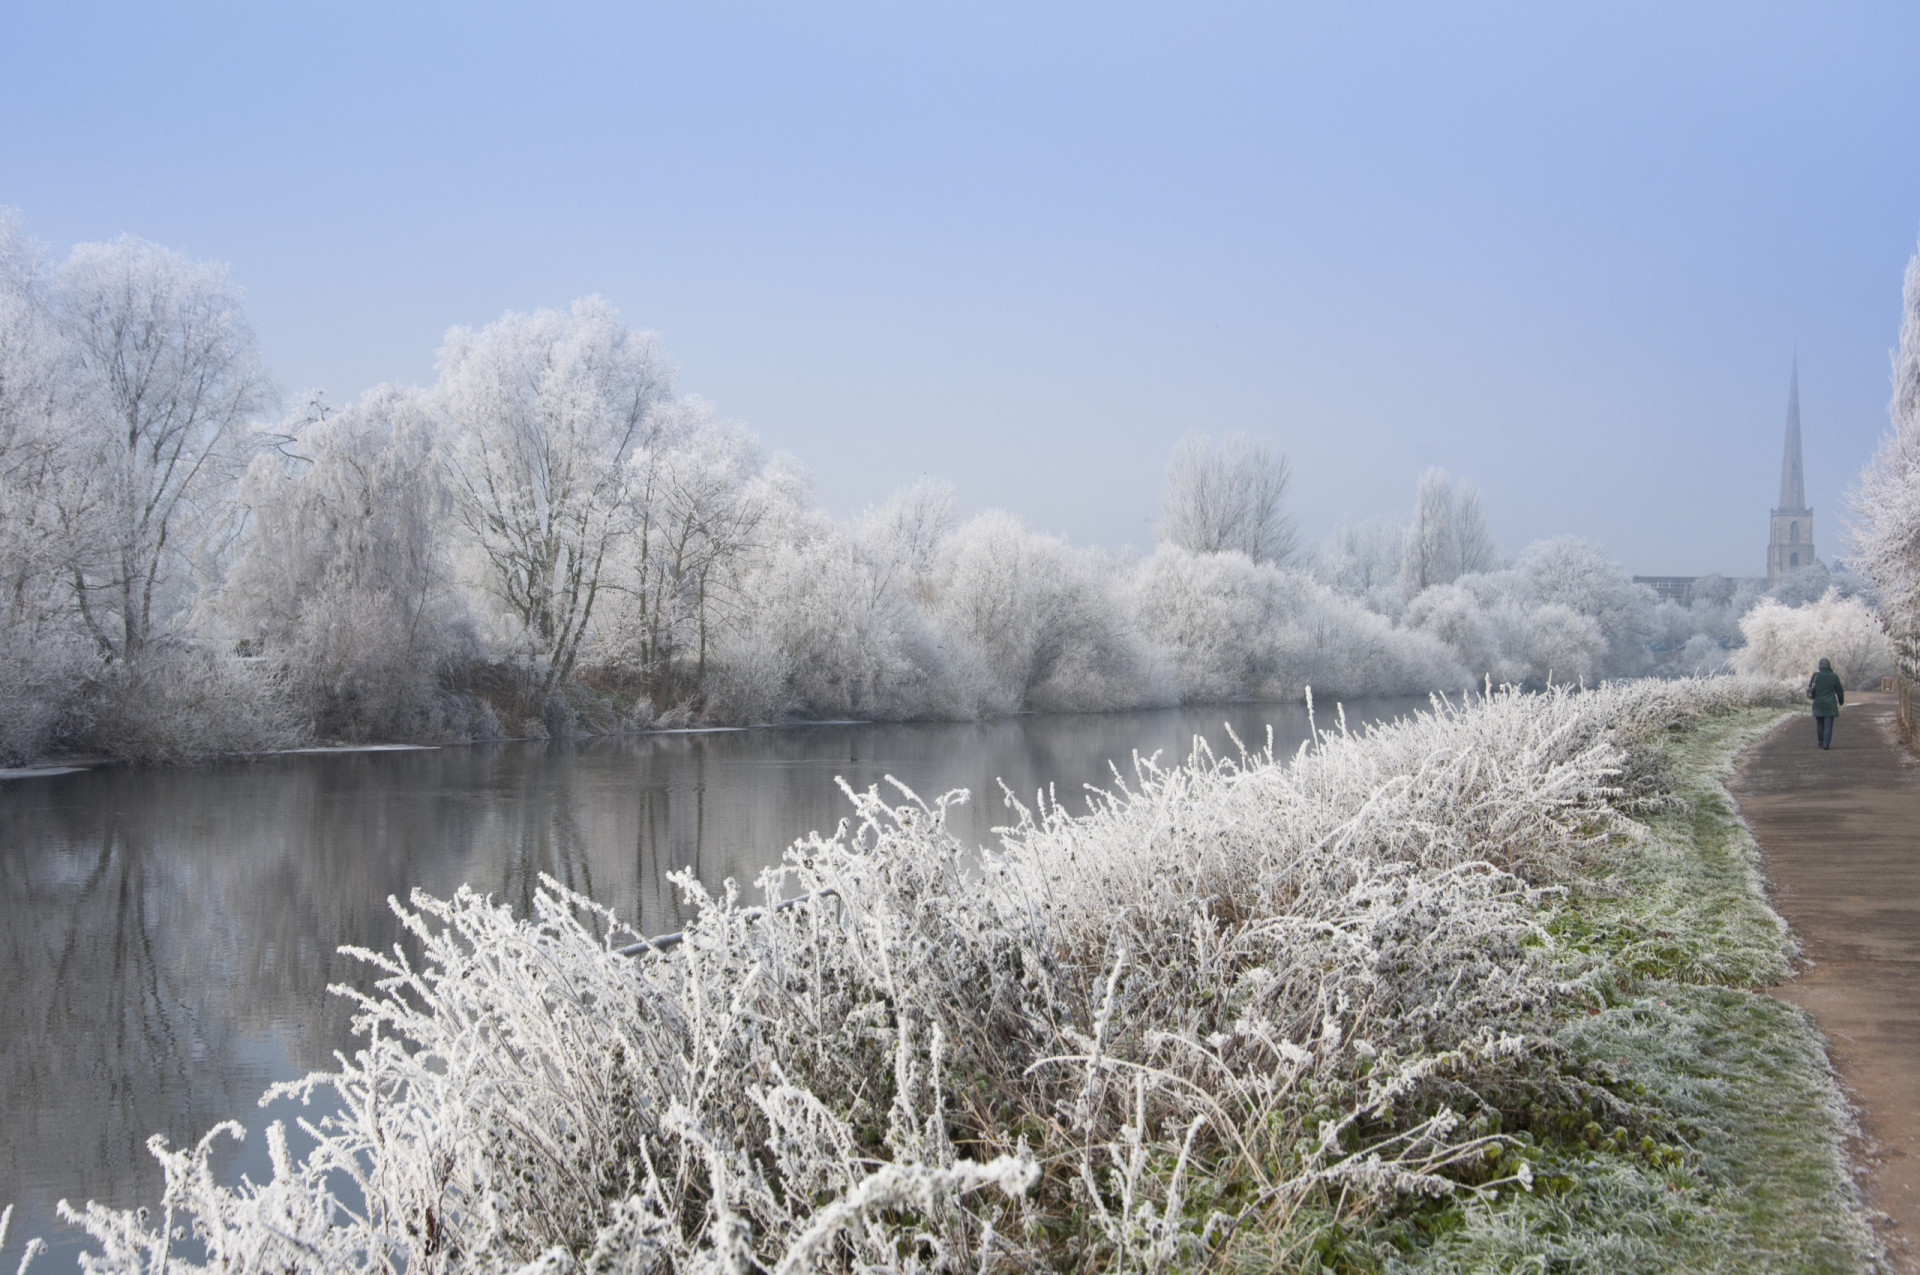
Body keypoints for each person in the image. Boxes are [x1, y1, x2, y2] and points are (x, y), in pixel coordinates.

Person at [1808, 657, 1845, 750]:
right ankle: (1826, 742)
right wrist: (1841, 700)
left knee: (1820, 724)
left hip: (1818, 703)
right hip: (1830, 704)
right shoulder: (1834, 676)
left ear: (1819, 666)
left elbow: (1810, 688)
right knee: (1828, 724)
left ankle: (1820, 742)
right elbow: (1839, 690)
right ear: (1829, 666)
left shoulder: (1816, 676)